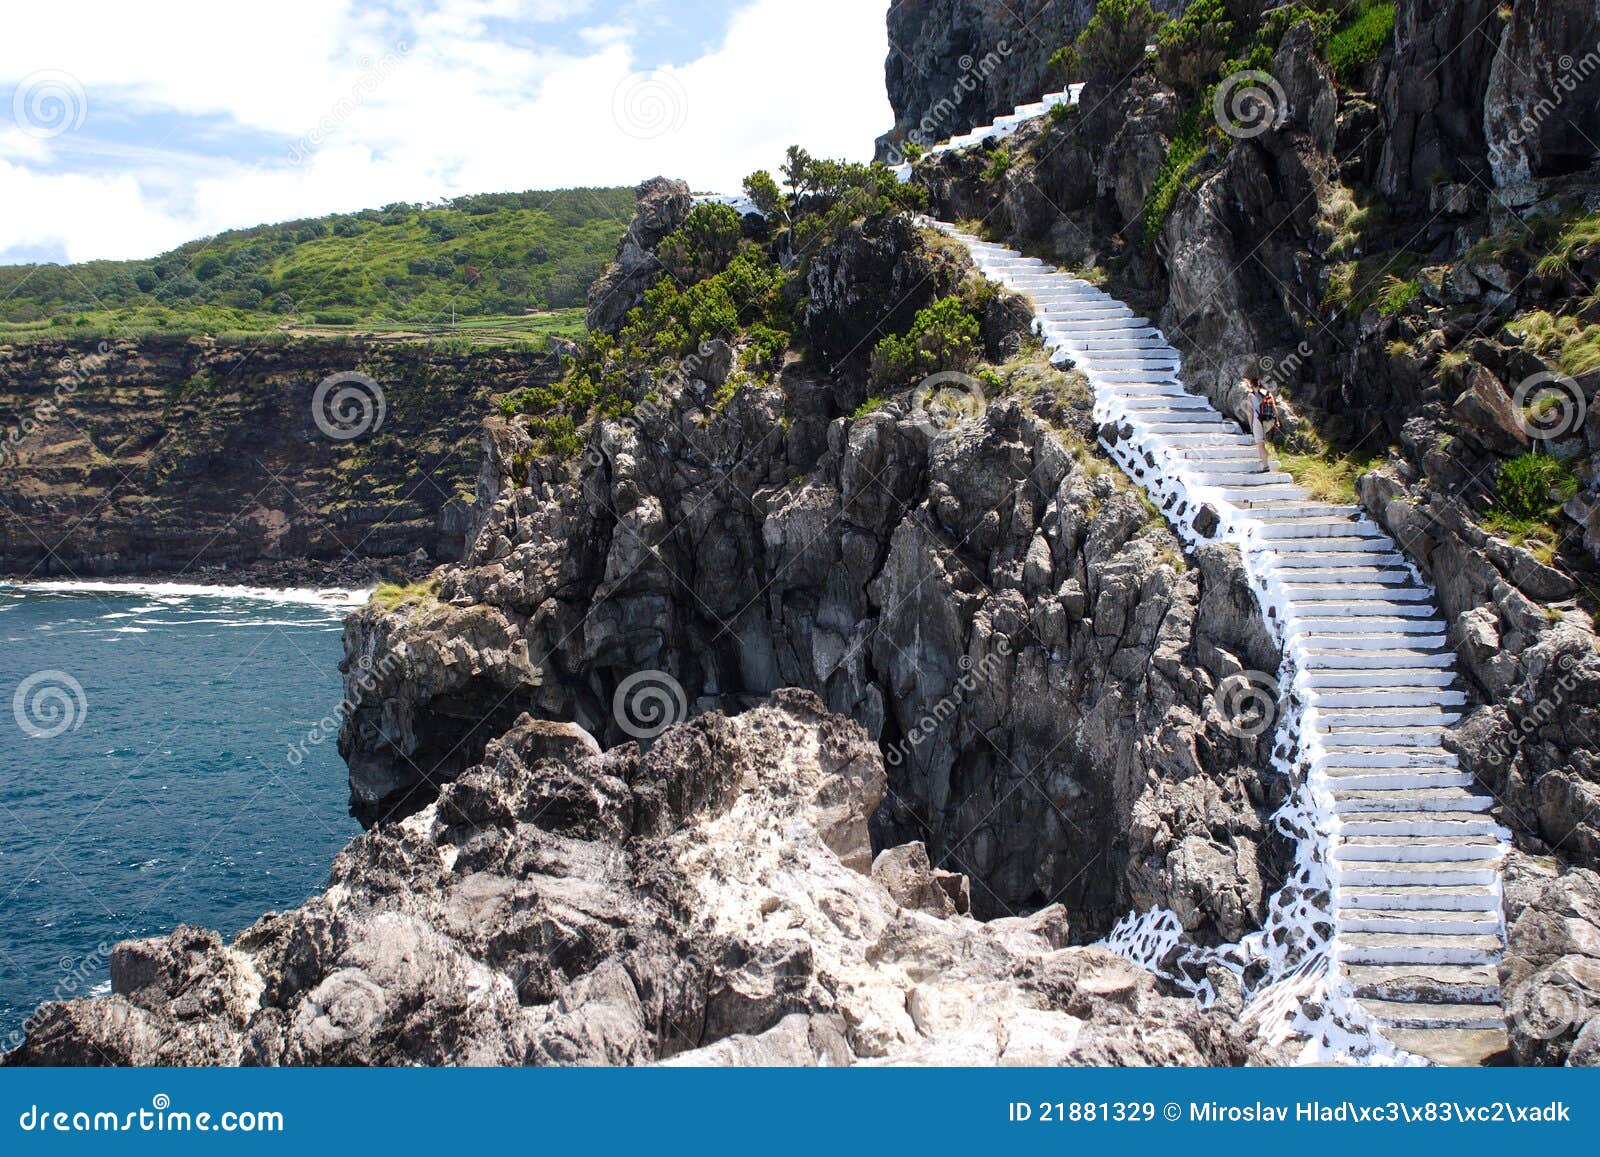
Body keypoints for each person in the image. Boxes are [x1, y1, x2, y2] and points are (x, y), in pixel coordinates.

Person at [1245, 376, 1281, 472]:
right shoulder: (1268, 393)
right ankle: (1270, 457)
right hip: (1270, 420)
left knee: (1260, 443)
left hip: (1258, 420)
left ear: (1251, 385)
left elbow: (1250, 413)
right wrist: (1277, 421)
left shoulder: (1250, 396)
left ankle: (1266, 466)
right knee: (1264, 440)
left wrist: (1251, 426)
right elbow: (1274, 408)